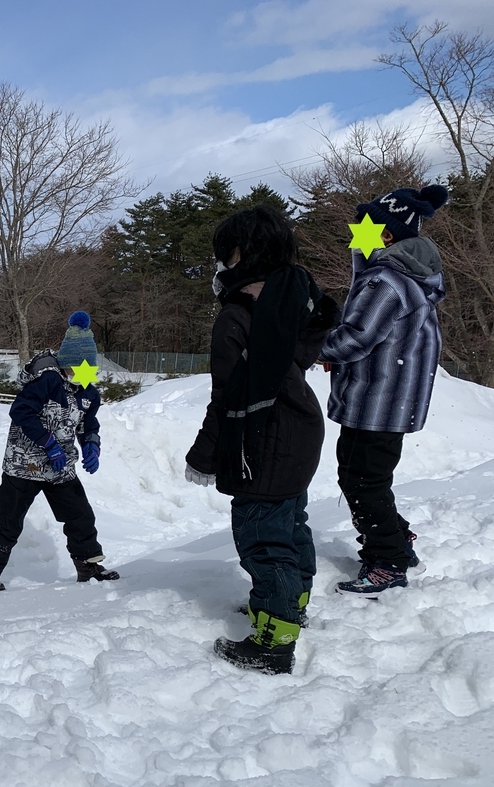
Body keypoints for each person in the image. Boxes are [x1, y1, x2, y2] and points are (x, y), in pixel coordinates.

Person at [185, 207, 338, 675]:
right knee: (291, 524)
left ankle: (273, 642)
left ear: (241, 255)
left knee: (261, 538)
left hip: (263, 443)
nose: (219, 267)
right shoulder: (293, 301)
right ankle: (290, 605)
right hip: (299, 431)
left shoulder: (238, 316)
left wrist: (204, 455)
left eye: (223, 257)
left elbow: (229, 396)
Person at [319, 185, 448, 594]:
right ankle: (396, 541)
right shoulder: (403, 277)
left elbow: (358, 336)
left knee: (362, 480)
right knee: (367, 477)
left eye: (365, 226)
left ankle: (388, 561)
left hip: (378, 401)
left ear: (386, 235)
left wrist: (313, 349)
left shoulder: (387, 282)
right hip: (388, 400)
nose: (356, 230)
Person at [0, 311, 118, 593]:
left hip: (60, 467)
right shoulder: (47, 382)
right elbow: (20, 411)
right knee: (8, 522)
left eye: (89, 368)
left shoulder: (89, 391)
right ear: (67, 364)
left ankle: (87, 565)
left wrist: (91, 444)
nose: (84, 374)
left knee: (80, 516)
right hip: (23, 464)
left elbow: (88, 422)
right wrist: (48, 443)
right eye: (78, 368)